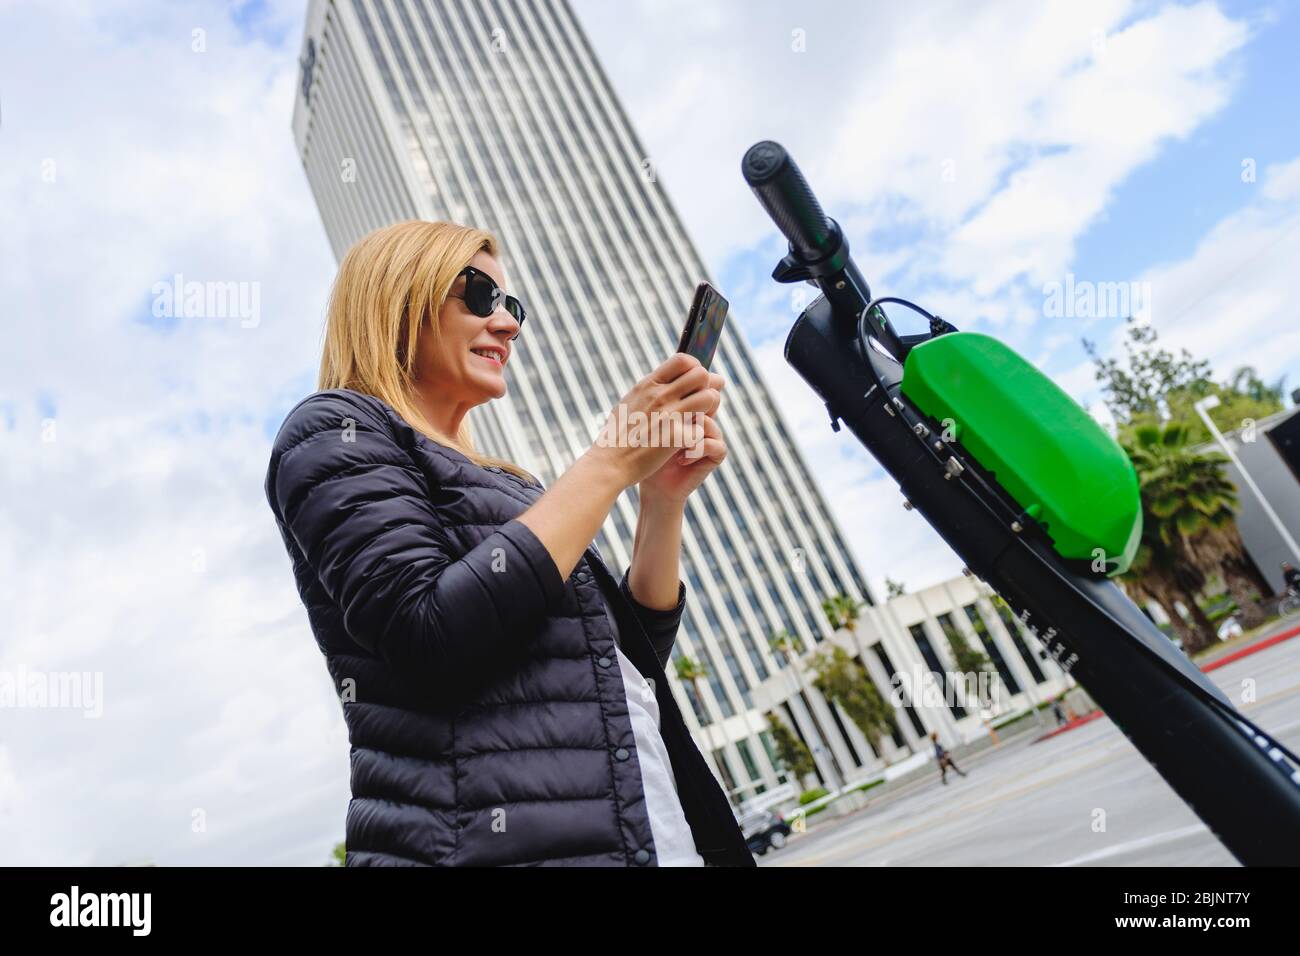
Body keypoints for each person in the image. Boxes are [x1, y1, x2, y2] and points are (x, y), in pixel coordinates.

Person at [264, 220, 754, 867]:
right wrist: (608, 463)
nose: (509, 323)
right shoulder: (333, 430)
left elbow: (613, 666)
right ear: (398, 298)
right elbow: (426, 634)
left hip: (638, 832)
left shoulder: (514, 486)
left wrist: (661, 501)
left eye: (512, 306)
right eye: (478, 295)